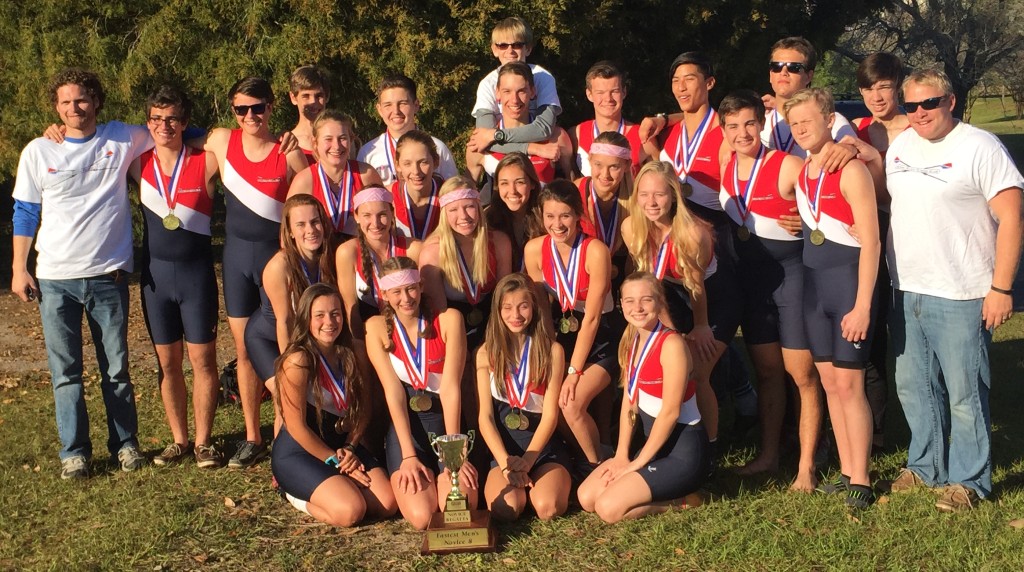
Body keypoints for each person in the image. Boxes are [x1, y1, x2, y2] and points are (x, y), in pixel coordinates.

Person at [884, 68, 1022, 512]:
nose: (920, 112)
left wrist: (1001, 287)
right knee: (913, 386)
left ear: (950, 101)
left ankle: (970, 480)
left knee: (965, 394)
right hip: (906, 288)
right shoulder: (901, 145)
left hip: (963, 291)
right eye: (911, 105)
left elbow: (1012, 217)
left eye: (930, 103)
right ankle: (925, 466)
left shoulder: (979, 146)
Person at [11, 68, 148, 478]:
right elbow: (25, 212)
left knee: (116, 370)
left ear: (97, 101)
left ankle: (125, 445)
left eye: (82, 99)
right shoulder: (39, 150)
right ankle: (74, 453)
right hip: (56, 279)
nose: (75, 108)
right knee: (66, 373)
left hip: (108, 277)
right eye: (66, 102)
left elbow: (171, 129)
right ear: (56, 108)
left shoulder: (121, 137)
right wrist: (19, 268)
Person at [200, 77, 310, 468]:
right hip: (235, 263)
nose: (250, 116)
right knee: (245, 351)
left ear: (271, 107)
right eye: (241, 109)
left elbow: (312, 199)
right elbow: (169, 135)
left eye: (258, 107)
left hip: (275, 264)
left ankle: (287, 430)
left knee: (283, 348)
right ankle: (252, 436)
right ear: (233, 111)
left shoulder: (289, 152)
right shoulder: (220, 140)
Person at [716, 91, 822, 489]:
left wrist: (809, 227)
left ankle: (807, 465)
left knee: (801, 373)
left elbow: (824, 205)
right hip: (754, 286)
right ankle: (769, 455)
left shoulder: (787, 164)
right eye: (732, 126)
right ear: (723, 130)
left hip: (791, 278)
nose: (741, 133)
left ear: (762, 123)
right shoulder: (727, 165)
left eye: (749, 123)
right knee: (767, 371)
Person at [786, 87, 880, 509]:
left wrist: (862, 306)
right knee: (828, 383)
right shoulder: (802, 172)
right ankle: (845, 470)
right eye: (794, 124)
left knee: (849, 384)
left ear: (829, 121)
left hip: (847, 287)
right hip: (813, 289)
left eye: (808, 120)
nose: (801, 128)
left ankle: (861, 478)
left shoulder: (851, 170)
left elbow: (872, 242)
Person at [128, 85, 223, 468]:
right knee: (167, 365)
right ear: (147, 122)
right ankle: (179, 440)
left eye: (172, 119)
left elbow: (228, 140)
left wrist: (196, 133)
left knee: (203, 362)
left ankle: (203, 442)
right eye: (156, 119)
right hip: (156, 281)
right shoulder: (137, 163)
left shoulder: (208, 160)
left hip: (196, 278)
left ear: (184, 122)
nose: (164, 126)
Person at [621, 161, 740, 453]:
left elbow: (696, 287)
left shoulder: (693, 233)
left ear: (674, 195)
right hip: (668, 296)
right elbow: (652, 284)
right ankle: (667, 438)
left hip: (713, 298)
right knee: (669, 360)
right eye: (644, 194)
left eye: (659, 194)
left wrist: (701, 326)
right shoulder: (631, 228)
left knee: (697, 372)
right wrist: (671, 335)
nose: (651, 202)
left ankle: (710, 448)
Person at [577, 272, 709, 523]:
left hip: (683, 454)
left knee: (608, 509)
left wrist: (637, 464)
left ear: (660, 303)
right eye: (629, 301)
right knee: (587, 497)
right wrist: (622, 455)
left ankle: (684, 501)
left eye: (646, 300)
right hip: (655, 449)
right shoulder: (632, 339)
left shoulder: (672, 345)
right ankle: (644, 474)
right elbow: (629, 402)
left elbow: (670, 413)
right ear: (621, 304)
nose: (637, 308)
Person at [364, 258, 478, 530]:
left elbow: (450, 387)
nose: (406, 298)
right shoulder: (375, 327)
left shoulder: (449, 320)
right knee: (422, 517)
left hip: (447, 426)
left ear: (421, 285)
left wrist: (454, 454)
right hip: (409, 432)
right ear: (384, 294)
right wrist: (408, 456)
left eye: (411, 288)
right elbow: (393, 391)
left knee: (458, 510)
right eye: (397, 292)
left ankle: (444, 475)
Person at [271, 283, 398, 526]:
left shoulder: (354, 350)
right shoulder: (298, 360)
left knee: (387, 503)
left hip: (342, 447)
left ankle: (337, 486)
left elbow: (364, 408)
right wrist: (336, 462)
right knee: (351, 511)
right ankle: (292, 494)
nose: (329, 322)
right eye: (319, 315)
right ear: (306, 318)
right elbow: (296, 427)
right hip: (300, 451)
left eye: (335, 313)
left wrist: (351, 446)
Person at [523, 180, 617, 469]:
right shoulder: (534, 249)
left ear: (578, 214)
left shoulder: (595, 251)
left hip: (602, 335)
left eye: (565, 215)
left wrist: (573, 372)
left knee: (570, 402)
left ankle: (595, 466)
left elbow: (592, 318)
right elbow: (542, 308)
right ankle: (585, 452)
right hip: (562, 331)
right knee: (550, 398)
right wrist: (551, 352)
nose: (557, 224)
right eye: (550, 216)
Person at [847, 52, 909, 453]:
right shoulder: (856, 129)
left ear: (897, 86)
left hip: (907, 236)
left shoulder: (915, 129)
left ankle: (911, 425)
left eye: (884, 86)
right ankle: (874, 430)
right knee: (868, 338)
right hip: (866, 238)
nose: (877, 96)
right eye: (868, 88)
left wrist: (874, 161)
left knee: (904, 335)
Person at [475, 273, 571, 521]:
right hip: (504, 451)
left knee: (548, 508)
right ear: (497, 310)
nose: (515, 315)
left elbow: (550, 416)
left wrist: (528, 460)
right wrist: (506, 465)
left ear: (534, 307)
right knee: (506, 509)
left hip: (542, 449)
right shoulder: (485, 352)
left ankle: (540, 485)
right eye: (507, 307)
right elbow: (485, 417)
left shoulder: (552, 351)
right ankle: (519, 487)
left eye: (523, 306)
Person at [244, 194, 337, 437]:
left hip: (308, 337)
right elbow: (284, 322)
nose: (310, 230)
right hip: (270, 339)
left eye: (315, 222)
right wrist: (289, 368)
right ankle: (283, 457)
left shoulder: (330, 257)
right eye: (301, 225)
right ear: (290, 232)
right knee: (287, 398)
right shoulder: (279, 266)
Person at [419, 176, 513, 352]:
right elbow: (440, 314)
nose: (463, 216)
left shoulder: (499, 242)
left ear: (478, 207)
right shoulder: (432, 253)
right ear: (444, 214)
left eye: (469, 206)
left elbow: (505, 298)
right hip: (453, 330)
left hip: (493, 323)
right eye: (453, 209)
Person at [466, 17, 562, 163]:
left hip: (537, 146)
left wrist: (497, 135)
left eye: (517, 45)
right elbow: (483, 140)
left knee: (562, 138)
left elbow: (543, 129)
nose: (510, 51)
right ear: (494, 50)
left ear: (528, 48)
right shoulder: (487, 84)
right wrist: (532, 148)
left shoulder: (543, 78)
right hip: (521, 150)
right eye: (503, 45)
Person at [467, 62, 573, 184]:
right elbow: (466, 191)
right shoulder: (480, 143)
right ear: (497, 93)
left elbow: (574, 184)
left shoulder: (557, 138)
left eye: (521, 91)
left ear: (532, 92)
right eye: (507, 91)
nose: (515, 100)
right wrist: (535, 149)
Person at [336, 186, 421, 338]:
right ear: (356, 217)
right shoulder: (347, 253)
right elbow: (350, 308)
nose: (375, 223)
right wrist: (359, 344)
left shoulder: (413, 249)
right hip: (370, 335)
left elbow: (428, 301)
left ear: (392, 214)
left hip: (414, 332)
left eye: (382, 214)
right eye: (367, 215)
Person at [287, 110, 382, 238]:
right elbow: (288, 231)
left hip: (360, 249)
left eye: (342, 138)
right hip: (318, 250)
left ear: (351, 140)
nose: (336, 146)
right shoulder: (304, 181)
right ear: (315, 143)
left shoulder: (366, 175)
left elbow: (385, 219)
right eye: (328, 139)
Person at [356, 73, 458, 187]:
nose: (396, 111)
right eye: (388, 105)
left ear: (416, 105)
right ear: (379, 110)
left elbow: (453, 191)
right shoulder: (367, 152)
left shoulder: (438, 148)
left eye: (403, 103)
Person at [574, 131, 633, 296]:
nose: (605, 174)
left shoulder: (636, 198)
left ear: (627, 165)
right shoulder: (574, 192)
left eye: (614, 166)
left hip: (623, 277)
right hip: (579, 274)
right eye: (598, 164)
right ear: (590, 160)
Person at [572, 61, 648, 176]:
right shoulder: (576, 135)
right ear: (589, 94)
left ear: (624, 92)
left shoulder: (642, 136)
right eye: (600, 92)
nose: (608, 98)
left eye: (614, 91)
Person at [485, 152, 545, 271]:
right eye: (504, 183)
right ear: (497, 187)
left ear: (532, 183)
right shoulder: (487, 219)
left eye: (519, 182)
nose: (512, 191)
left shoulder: (546, 217)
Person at [391, 130, 445, 241]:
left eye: (423, 162)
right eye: (407, 163)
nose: (416, 171)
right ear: (397, 165)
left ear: (436, 162)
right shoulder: (388, 197)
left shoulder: (449, 195)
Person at [287, 65, 329, 163]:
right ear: (293, 98)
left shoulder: (340, 140)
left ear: (327, 97)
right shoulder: (287, 143)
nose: (313, 102)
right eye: (306, 96)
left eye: (319, 96)